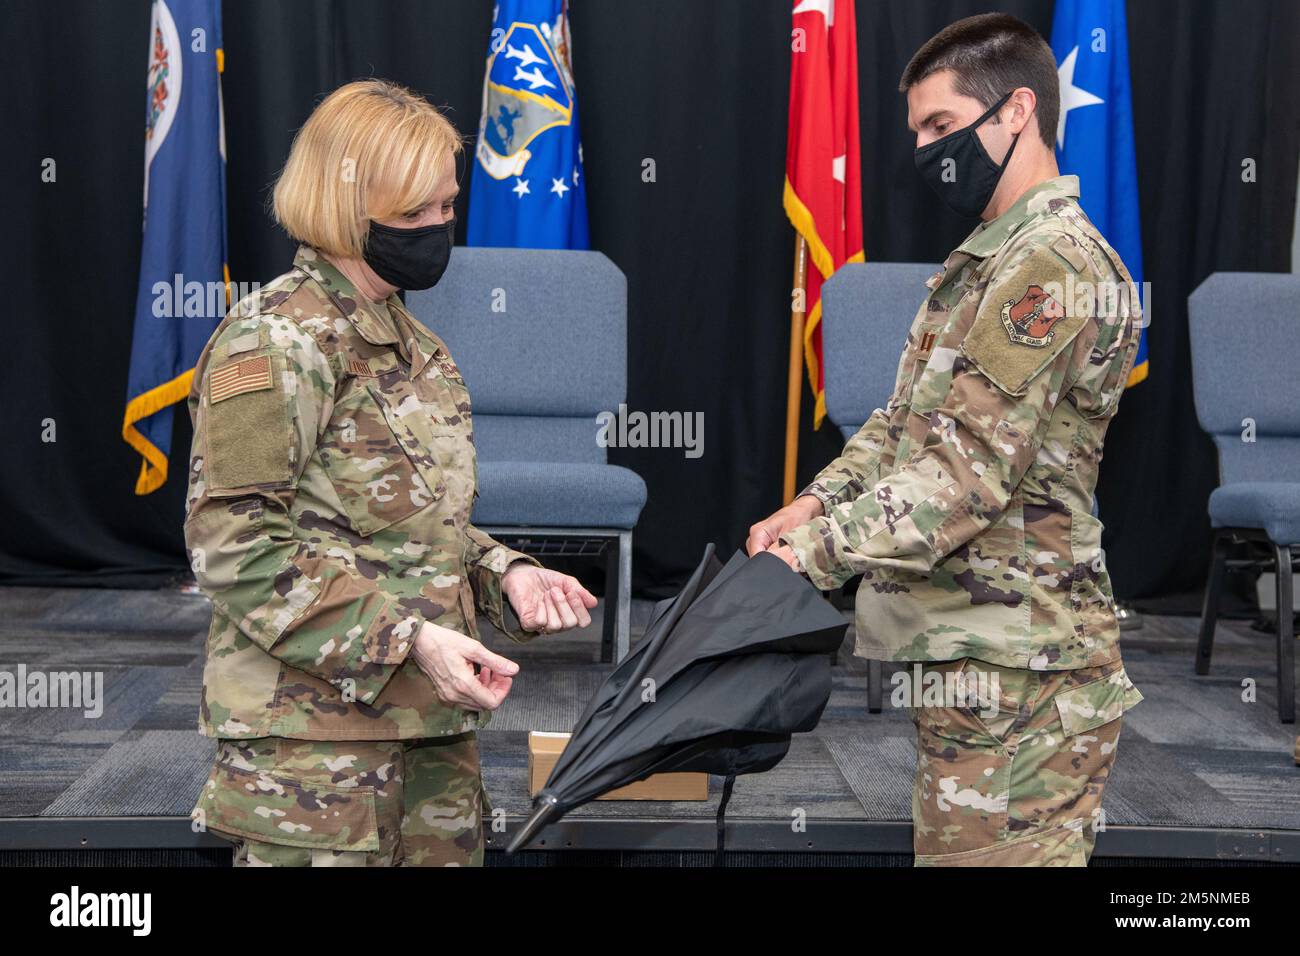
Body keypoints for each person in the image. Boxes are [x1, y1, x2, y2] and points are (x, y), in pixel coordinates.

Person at [748, 14, 1143, 866]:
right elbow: (905, 428)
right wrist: (815, 501)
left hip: (1024, 665)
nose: (926, 151)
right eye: (918, 131)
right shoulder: (986, 262)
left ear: (1015, 113)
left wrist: (813, 553)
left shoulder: (1053, 267)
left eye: (941, 125)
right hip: (973, 651)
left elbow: (966, 476)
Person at [185, 79, 597, 867]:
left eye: (446, 206)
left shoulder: (410, 341)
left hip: (427, 726)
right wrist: (405, 639)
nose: (438, 228)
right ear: (342, 205)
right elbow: (232, 545)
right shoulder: (277, 341)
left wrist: (503, 572)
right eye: (413, 214)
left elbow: (409, 522)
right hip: (316, 753)